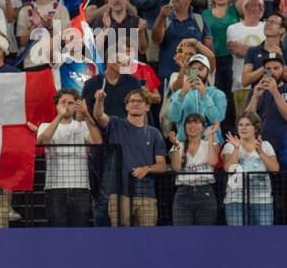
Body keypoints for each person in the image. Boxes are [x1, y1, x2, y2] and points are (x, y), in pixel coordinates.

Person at [92, 86, 168, 226]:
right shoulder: (116, 124)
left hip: (146, 194)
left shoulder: (154, 133)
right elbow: (98, 115)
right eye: (132, 101)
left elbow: (162, 165)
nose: (135, 103)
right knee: (120, 240)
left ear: (147, 107)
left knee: (148, 239)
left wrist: (148, 169)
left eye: (139, 101)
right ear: (126, 106)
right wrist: (99, 100)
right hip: (118, 193)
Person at [36, 88, 101, 227]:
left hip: (80, 188)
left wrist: (86, 114)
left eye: (71, 103)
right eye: (63, 102)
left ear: (76, 106)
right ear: (56, 105)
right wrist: (59, 116)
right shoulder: (45, 126)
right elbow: (42, 142)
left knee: (79, 233)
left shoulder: (82, 125)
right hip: (55, 188)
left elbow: (97, 142)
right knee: (57, 234)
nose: (67, 105)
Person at [222, 110, 279, 225]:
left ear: (256, 128)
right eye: (240, 125)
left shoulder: (266, 145)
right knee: (237, 238)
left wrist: (261, 153)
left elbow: (275, 169)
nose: (243, 128)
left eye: (248, 125)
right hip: (235, 201)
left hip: (262, 200)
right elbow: (228, 169)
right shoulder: (230, 146)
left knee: (263, 238)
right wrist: (237, 149)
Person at [170, 113, 221, 225]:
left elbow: (213, 162)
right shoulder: (178, 145)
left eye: (196, 122)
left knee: (205, 235)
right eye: (189, 122)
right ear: (184, 127)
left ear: (202, 127)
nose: (192, 125)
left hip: (205, 192)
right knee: (182, 234)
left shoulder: (211, 144)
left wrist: (211, 135)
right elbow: (177, 168)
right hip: (183, 194)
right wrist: (176, 146)